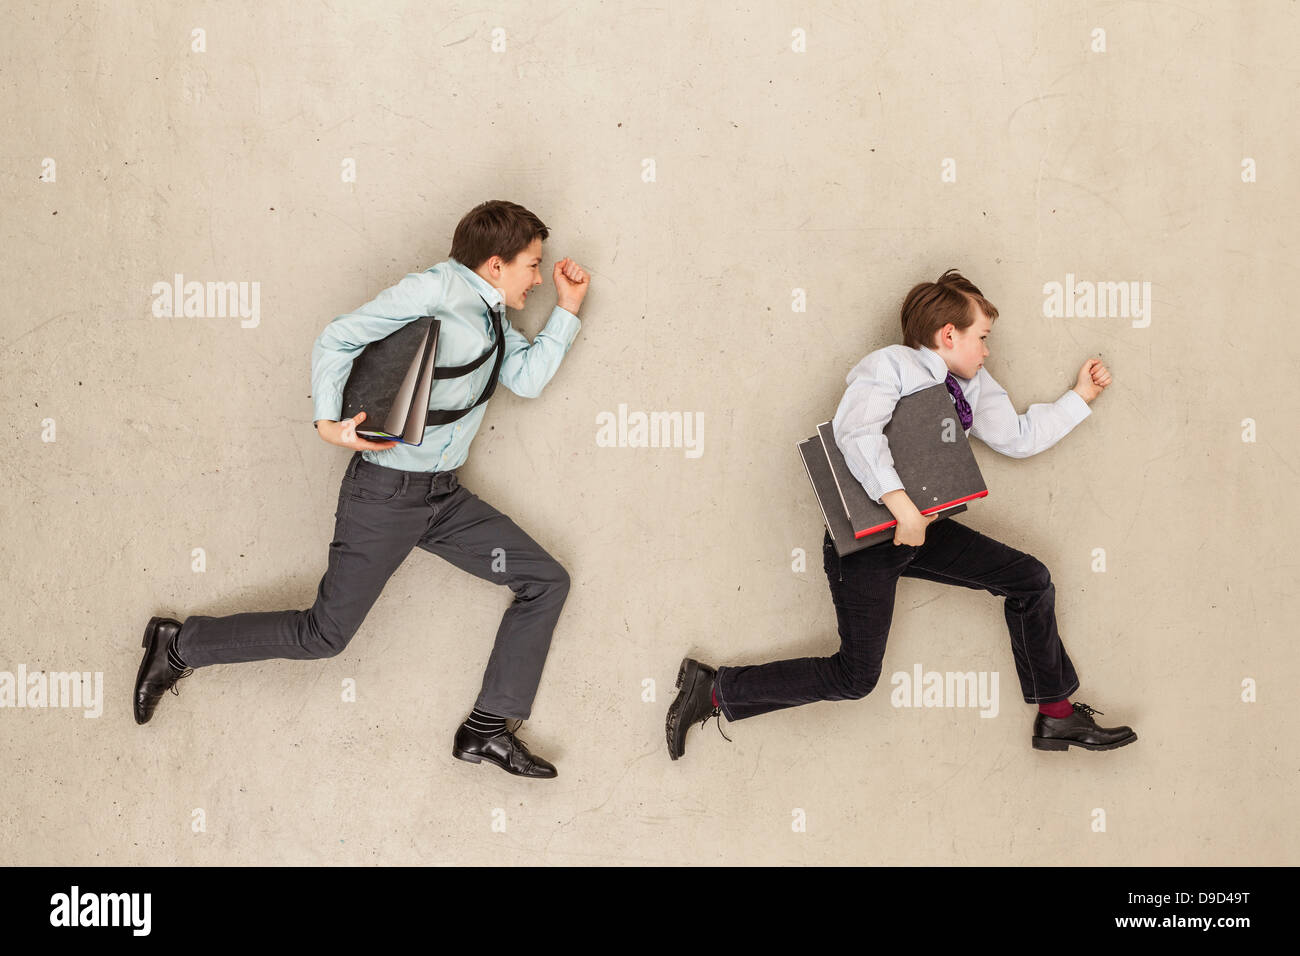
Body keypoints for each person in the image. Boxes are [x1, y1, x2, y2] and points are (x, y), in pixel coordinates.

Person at [135, 200, 590, 779]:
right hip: (385, 495)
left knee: (545, 580)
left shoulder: (493, 314)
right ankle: (179, 646)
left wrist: (568, 308)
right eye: (532, 265)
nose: (538, 277)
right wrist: (329, 421)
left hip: (442, 499)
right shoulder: (432, 290)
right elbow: (339, 338)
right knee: (324, 635)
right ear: (496, 264)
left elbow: (524, 380)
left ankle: (487, 730)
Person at [666, 268, 1136, 758]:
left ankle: (1057, 717)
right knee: (856, 677)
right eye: (982, 337)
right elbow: (855, 431)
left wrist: (1080, 397)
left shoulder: (970, 385)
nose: (987, 350)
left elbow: (1018, 438)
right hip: (868, 543)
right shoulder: (892, 365)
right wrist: (901, 507)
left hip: (921, 533)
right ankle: (716, 689)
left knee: (1030, 579)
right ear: (948, 334)